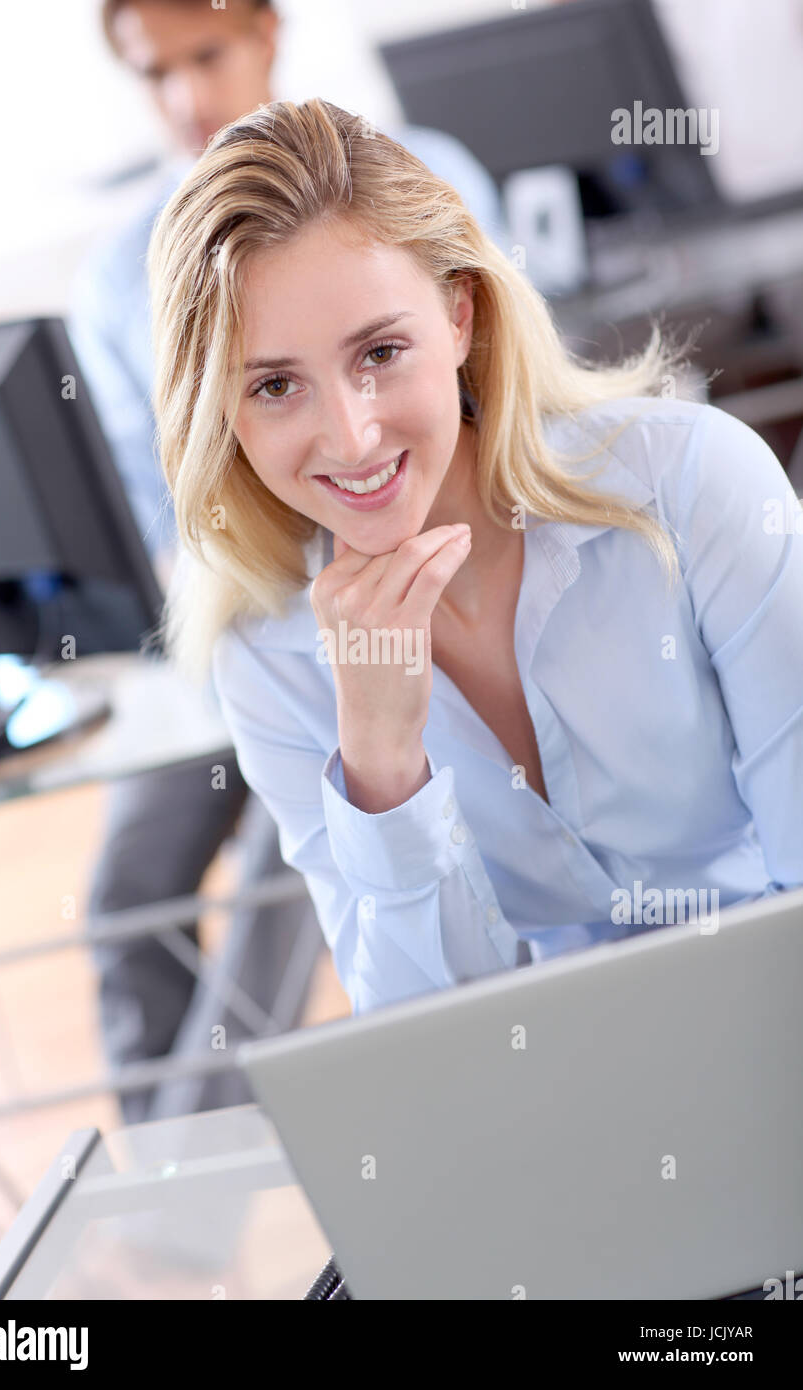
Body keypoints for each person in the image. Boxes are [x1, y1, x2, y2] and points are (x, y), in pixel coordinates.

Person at [146, 97, 803, 1015]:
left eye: (379, 350)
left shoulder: (693, 487)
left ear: (458, 315)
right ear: (220, 410)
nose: (351, 433)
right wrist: (381, 762)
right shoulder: (267, 656)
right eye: (276, 385)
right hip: (539, 1100)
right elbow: (429, 1033)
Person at [67, 0, 510, 1121]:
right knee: (122, 889)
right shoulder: (126, 274)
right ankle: (162, 1175)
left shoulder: (422, 177)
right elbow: (135, 489)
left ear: (266, 32)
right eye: (152, 74)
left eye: (204, 56)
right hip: (231, 616)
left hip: (390, 602)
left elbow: (490, 395)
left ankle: (180, 1207)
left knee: (285, 873)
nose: (183, 99)